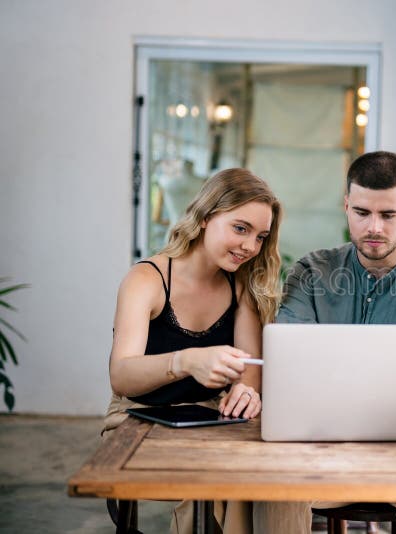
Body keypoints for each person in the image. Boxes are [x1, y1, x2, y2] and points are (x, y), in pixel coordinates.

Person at [256, 151, 396, 533]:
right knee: (278, 489)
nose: (373, 227)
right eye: (361, 212)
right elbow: (288, 367)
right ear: (346, 206)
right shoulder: (311, 273)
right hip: (319, 451)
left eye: (388, 215)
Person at [105, 168, 283, 533]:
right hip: (138, 418)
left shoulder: (242, 287)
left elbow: (250, 369)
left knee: (248, 471)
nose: (250, 246)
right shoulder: (147, 280)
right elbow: (121, 376)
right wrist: (185, 361)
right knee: (215, 477)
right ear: (205, 218)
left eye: (261, 236)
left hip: (208, 418)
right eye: (240, 228)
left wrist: (245, 391)